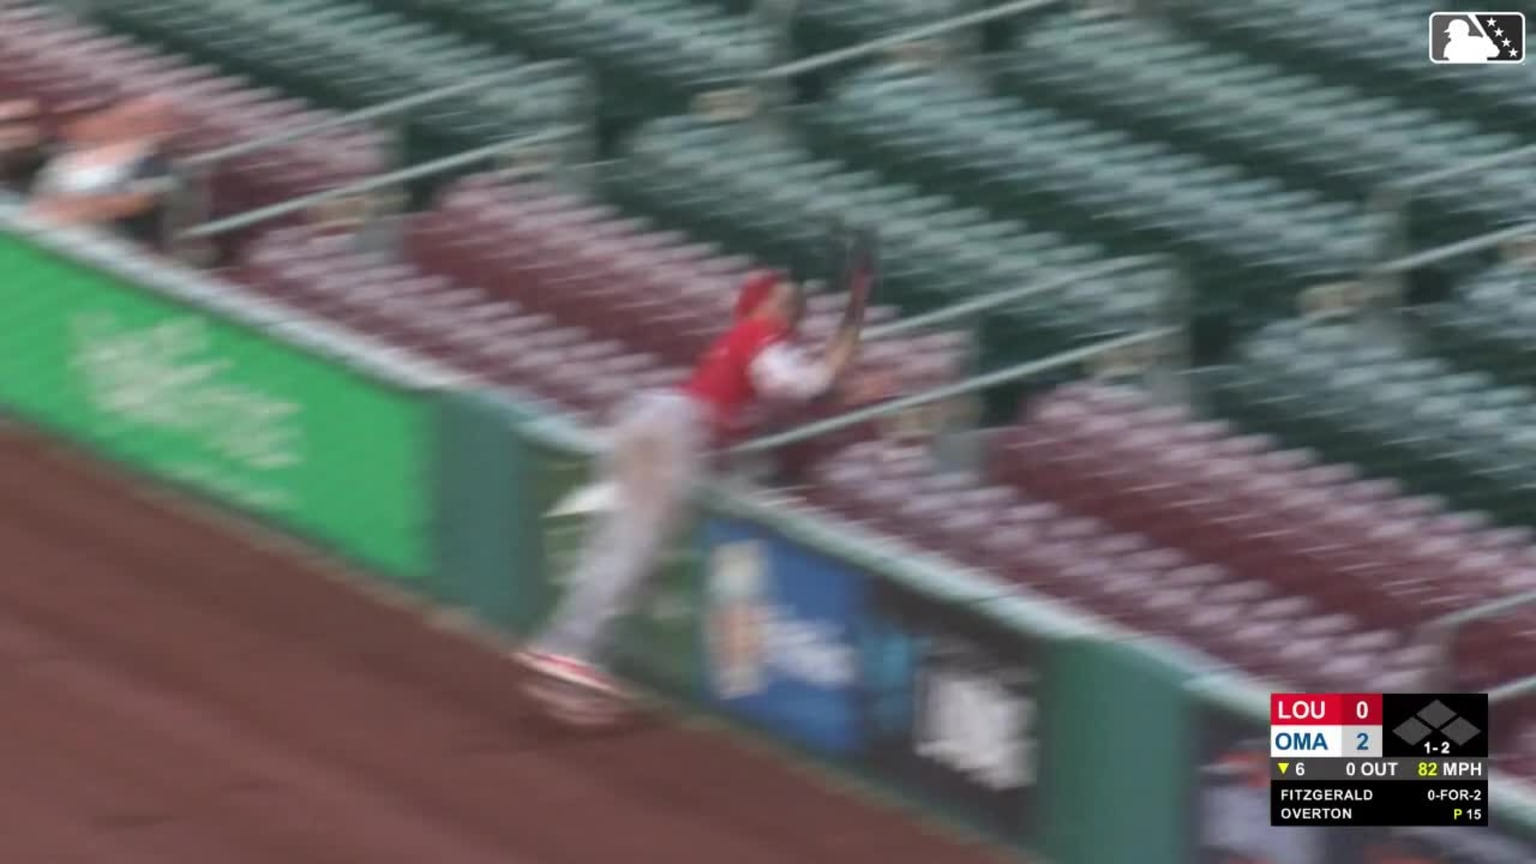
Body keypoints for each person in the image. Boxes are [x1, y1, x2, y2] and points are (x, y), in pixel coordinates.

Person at [516, 269, 865, 697]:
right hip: (678, 428)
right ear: (757, 306)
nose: (787, 306)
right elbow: (807, 384)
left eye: (792, 302)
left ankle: (560, 643)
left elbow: (814, 381)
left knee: (613, 542)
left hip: (650, 414)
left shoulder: (752, 337)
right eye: (779, 299)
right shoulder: (759, 335)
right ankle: (571, 650)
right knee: (632, 547)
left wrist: (853, 313)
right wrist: (854, 312)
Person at [27, 95, 179, 245]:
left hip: (104, 246)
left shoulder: (159, 167)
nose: (131, 124)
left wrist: (69, 211)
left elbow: (133, 203)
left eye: (144, 119)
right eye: (129, 117)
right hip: (40, 225)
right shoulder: (72, 150)